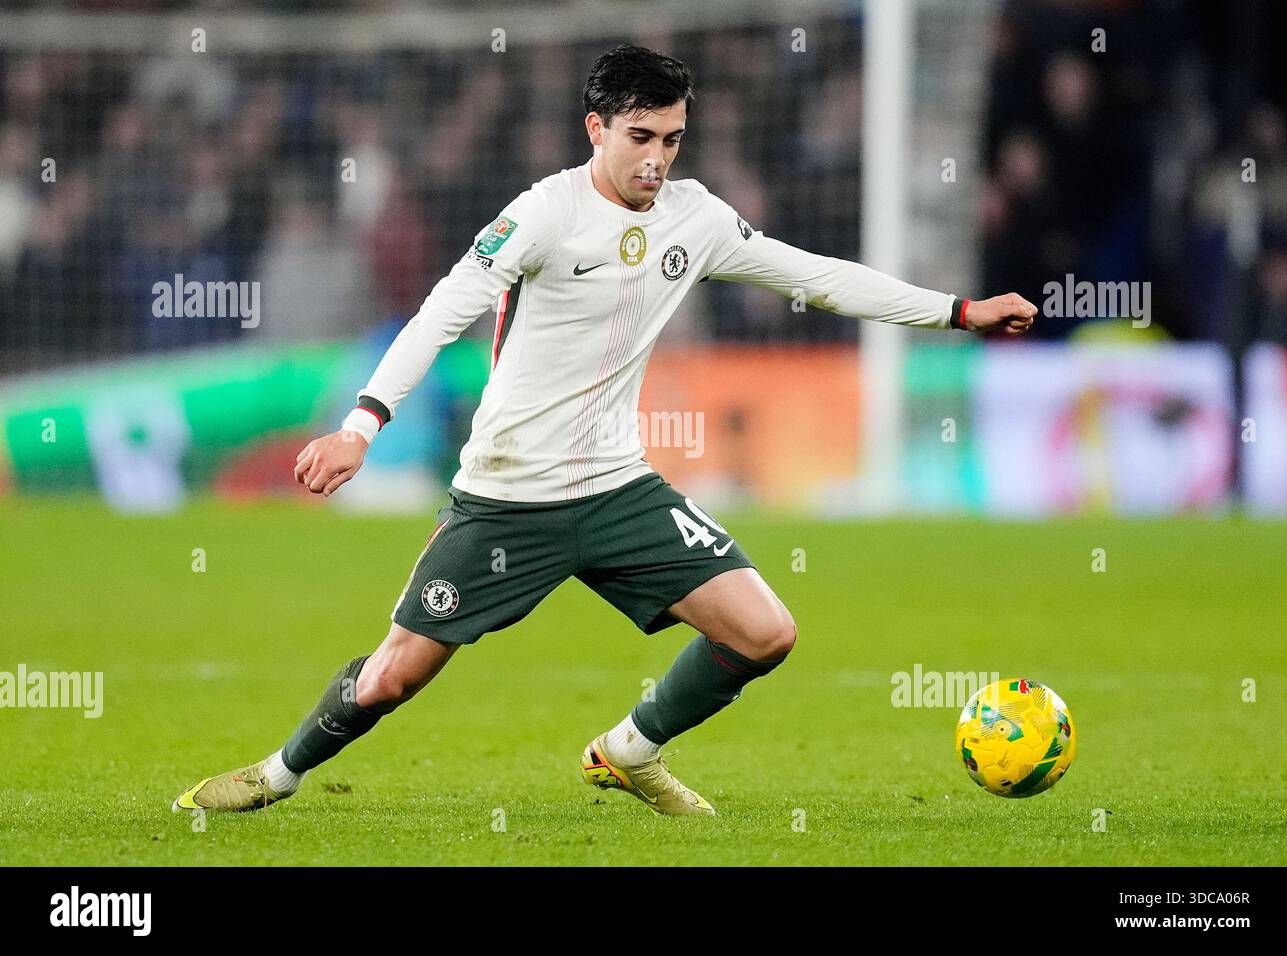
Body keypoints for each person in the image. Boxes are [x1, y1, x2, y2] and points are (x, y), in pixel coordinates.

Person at [174, 44, 1036, 817]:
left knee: (765, 631)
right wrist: (361, 426)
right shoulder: (542, 215)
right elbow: (441, 314)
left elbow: (813, 277)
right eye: (640, 137)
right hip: (509, 496)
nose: (657, 159)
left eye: (671, 139)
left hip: (620, 487)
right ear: (596, 128)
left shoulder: (694, 219)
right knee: (394, 676)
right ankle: (275, 775)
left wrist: (956, 312)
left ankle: (629, 751)